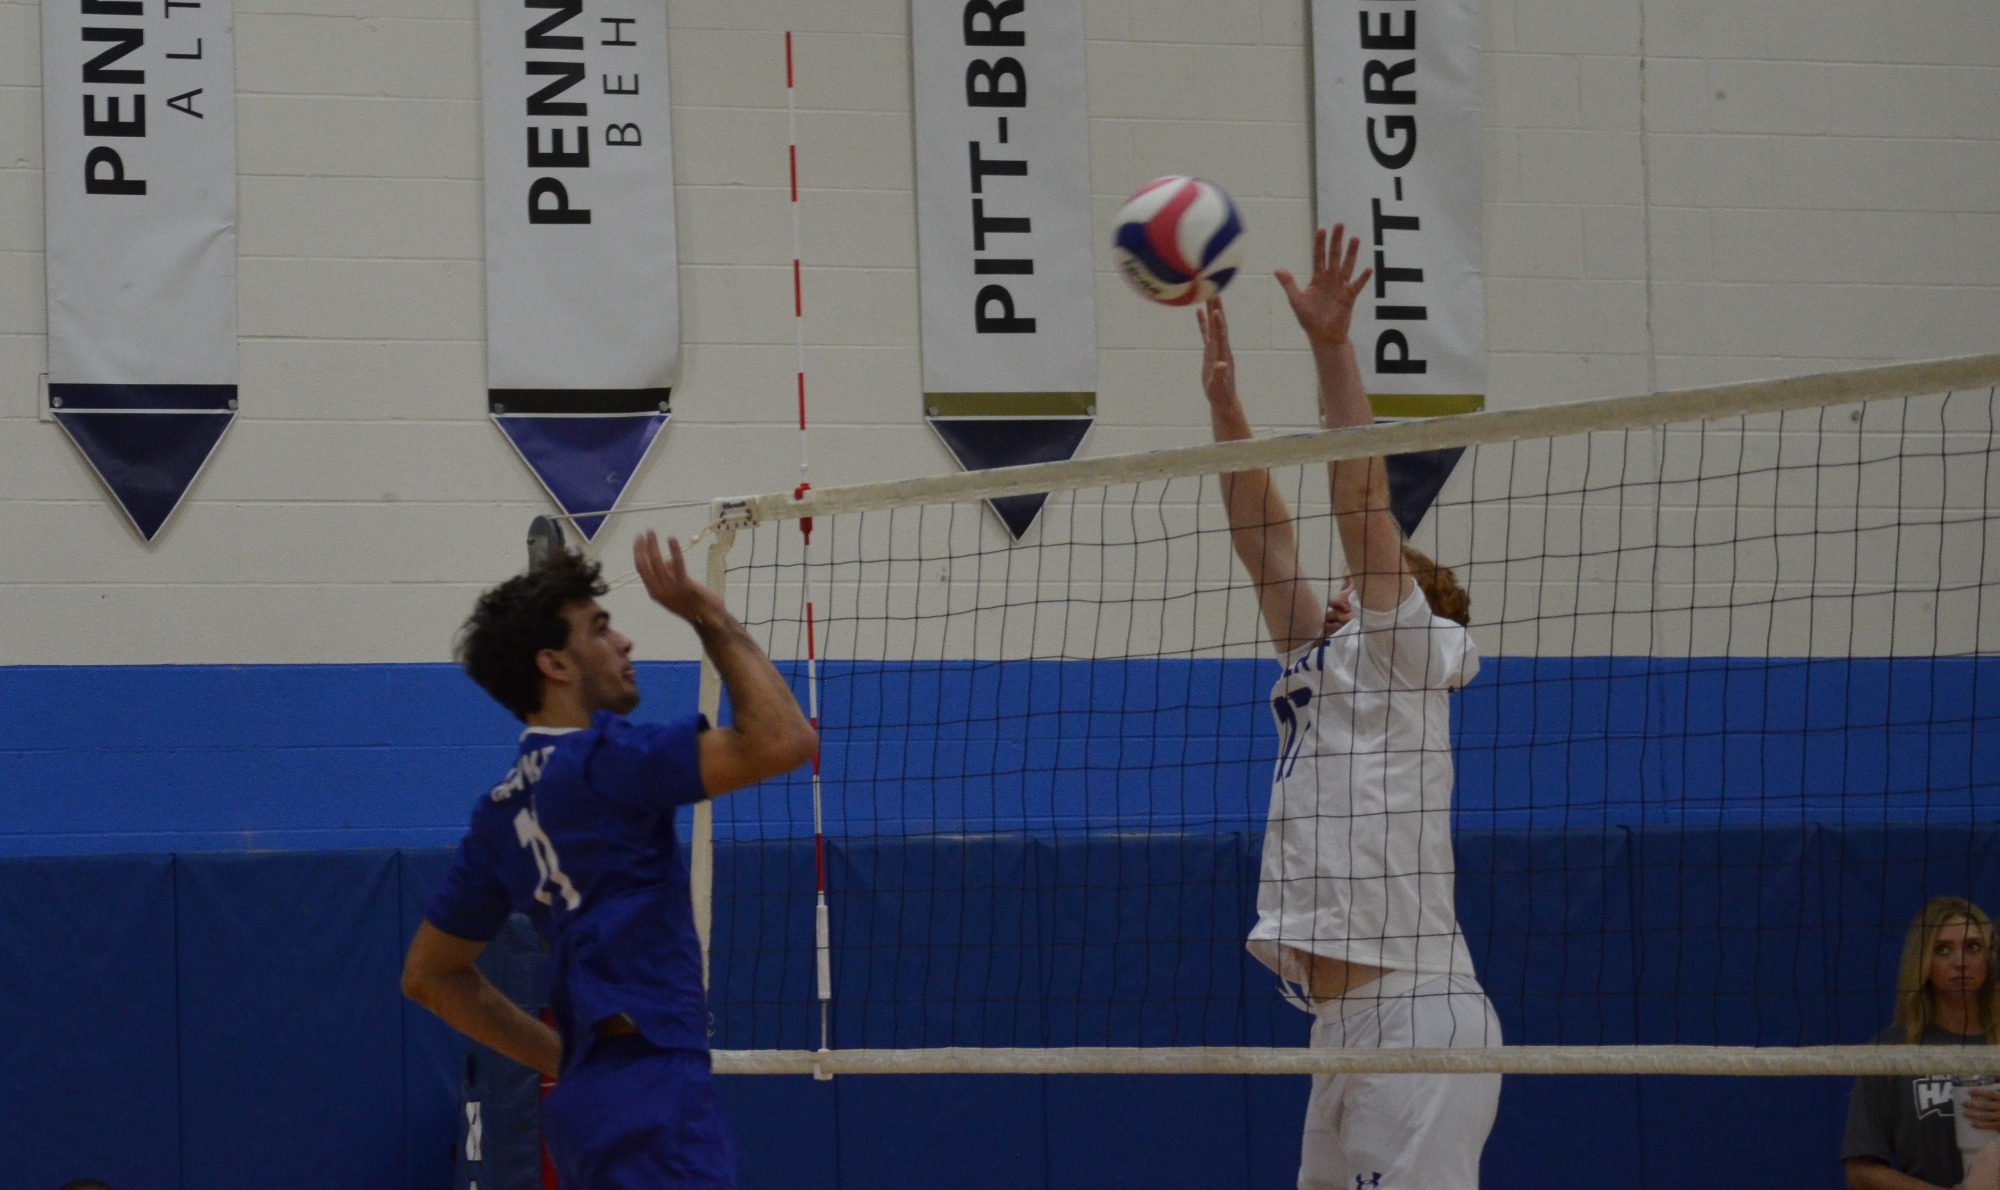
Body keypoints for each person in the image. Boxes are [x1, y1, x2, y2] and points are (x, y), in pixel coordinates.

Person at [1198, 225, 1500, 1189]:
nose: (1338, 589)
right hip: (1339, 1028)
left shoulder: (1408, 653)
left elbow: (1361, 504)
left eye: (1363, 586)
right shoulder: (1319, 667)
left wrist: (1332, 348)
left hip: (1417, 1016)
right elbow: (1263, 541)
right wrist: (1227, 413)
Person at [402, 532, 818, 1189]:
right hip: (654, 1093)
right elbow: (784, 738)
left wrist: (569, 1063)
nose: (624, 643)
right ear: (554, 665)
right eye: (600, 629)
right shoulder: (606, 760)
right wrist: (705, 612)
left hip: (589, 1103)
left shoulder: (499, 813)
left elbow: (429, 977)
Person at [1843, 896, 2000, 1190]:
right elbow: (1860, 1172)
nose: (1960, 962)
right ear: (1922, 960)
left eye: (1973, 947)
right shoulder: (1891, 1052)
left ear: (1991, 957)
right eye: (1943, 950)